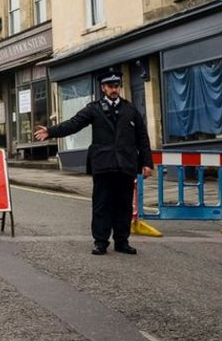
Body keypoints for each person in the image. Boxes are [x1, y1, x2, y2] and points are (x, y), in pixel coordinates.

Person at [33, 68, 153, 256]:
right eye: (110, 86)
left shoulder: (130, 110)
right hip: (103, 164)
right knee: (102, 204)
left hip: (125, 164)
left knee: (123, 205)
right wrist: (50, 131)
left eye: (116, 86)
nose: (114, 89)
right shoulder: (94, 109)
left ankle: (122, 241)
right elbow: (73, 124)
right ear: (103, 88)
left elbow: (142, 138)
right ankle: (101, 242)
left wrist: (147, 163)